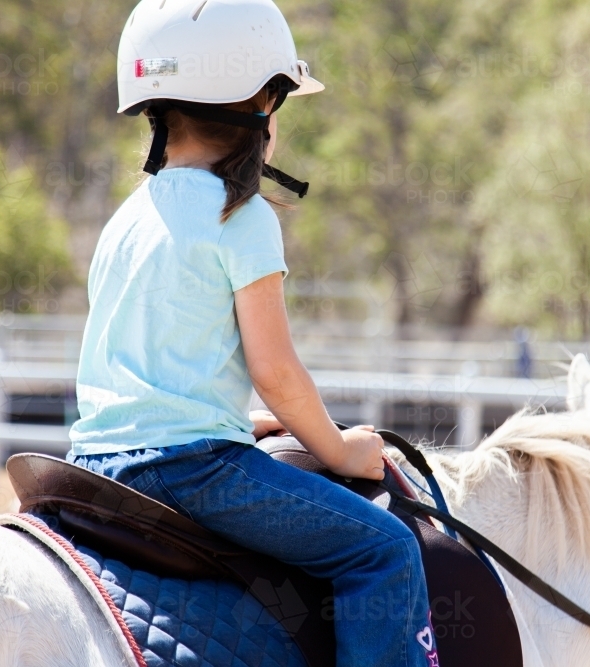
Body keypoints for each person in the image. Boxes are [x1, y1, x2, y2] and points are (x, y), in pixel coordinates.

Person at [67, 1, 439, 665]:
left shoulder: (128, 216)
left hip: (95, 462)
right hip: (191, 470)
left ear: (156, 112)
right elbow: (278, 370)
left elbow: (149, 356)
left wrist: (237, 420)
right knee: (383, 549)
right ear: (264, 104)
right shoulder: (243, 214)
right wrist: (341, 450)